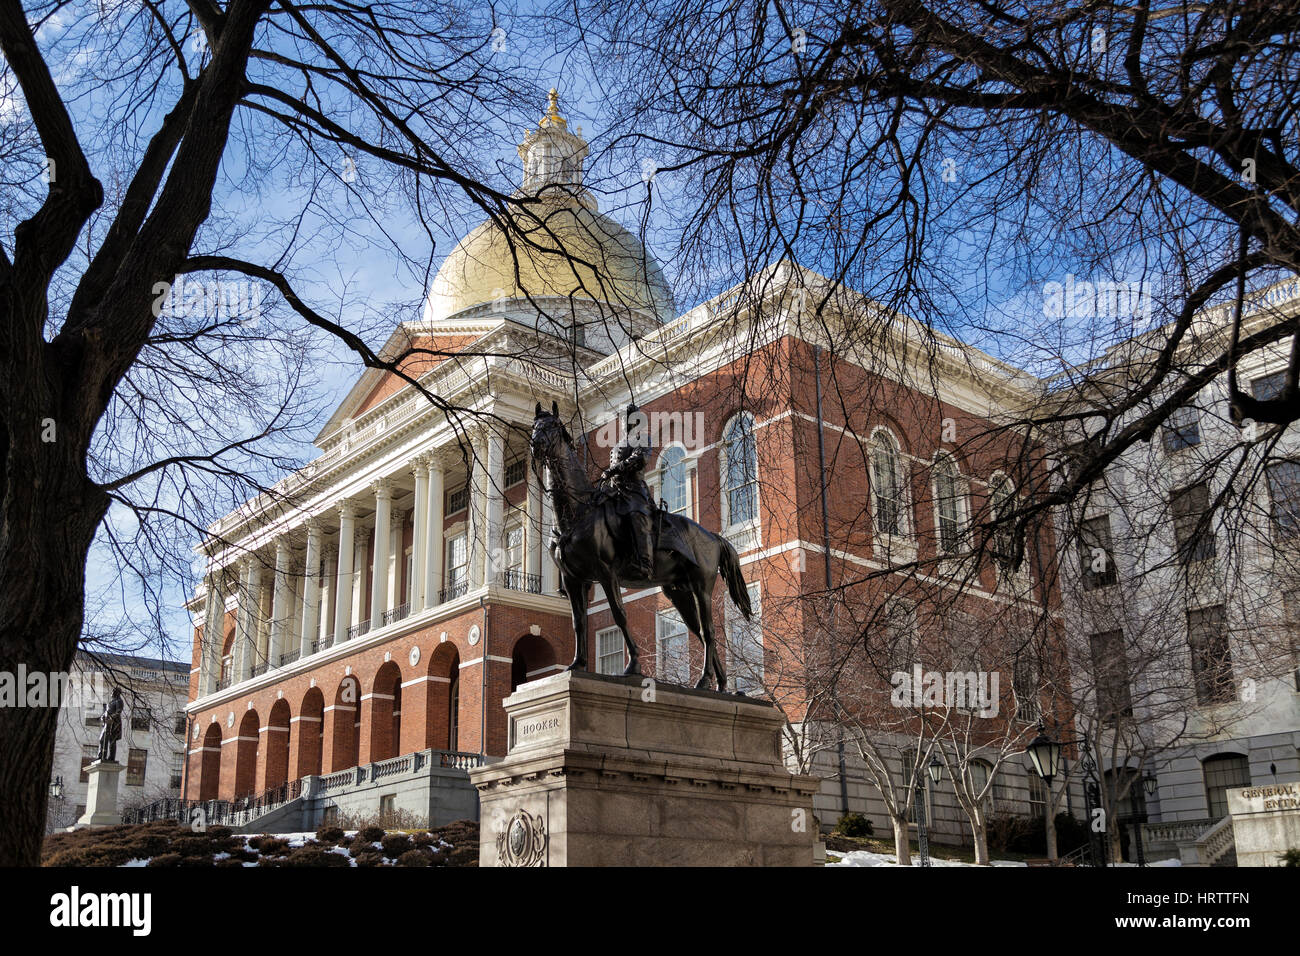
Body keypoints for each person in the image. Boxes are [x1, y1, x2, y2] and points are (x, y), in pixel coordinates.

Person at [601, 404, 656, 578]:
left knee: (636, 515)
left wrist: (614, 469)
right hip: (616, 490)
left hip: (634, 489)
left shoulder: (643, 438)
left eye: (628, 419)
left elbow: (640, 458)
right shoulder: (617, 445)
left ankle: (645, 563)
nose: (625, 422)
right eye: (623, 419)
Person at [97, 687, 124, 762]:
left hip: (114, 724)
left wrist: (111, 718)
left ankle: (111, 758)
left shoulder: (119, 701)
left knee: (112, 741)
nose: (111, 693)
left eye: (113, 691)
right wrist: (103, 717)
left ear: (117, 693)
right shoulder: (111, 702)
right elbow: (106, 712)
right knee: (102, 739)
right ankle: (101, 756)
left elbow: (118, 712)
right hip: (107, 724)